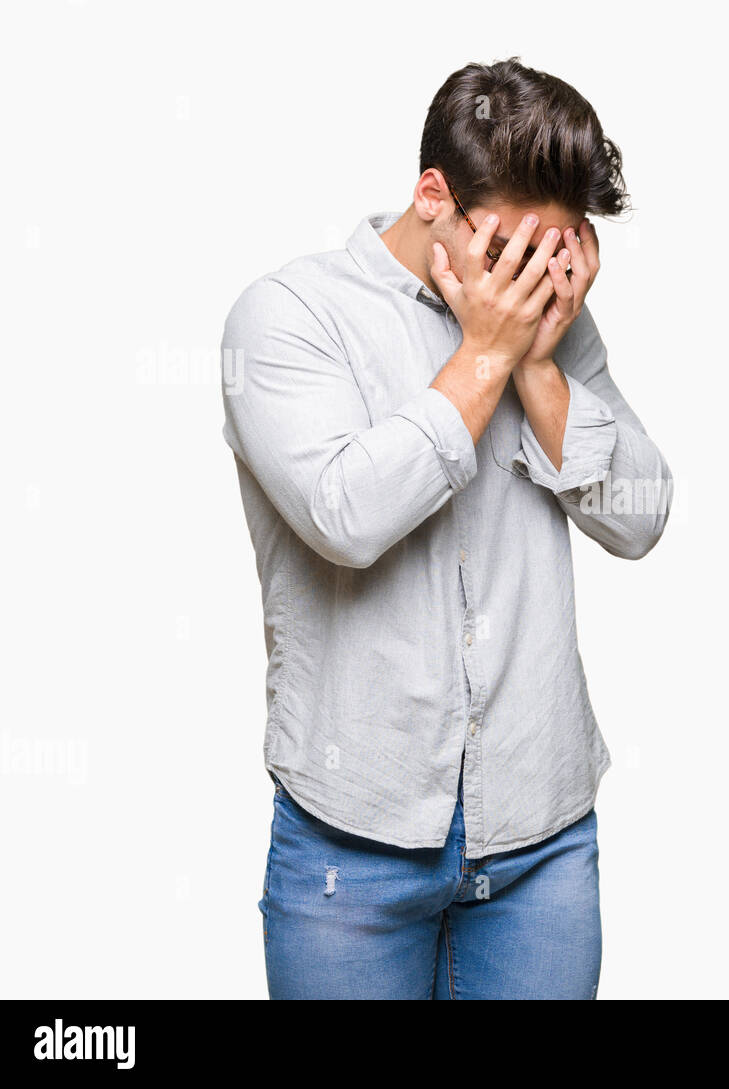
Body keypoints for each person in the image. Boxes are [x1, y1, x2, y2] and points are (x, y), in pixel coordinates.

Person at [220, 57, 672, 999]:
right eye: (513, 249)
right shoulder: (289, 317)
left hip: (540, 840)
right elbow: (346, 516)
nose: (540, 278)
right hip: (353, 848)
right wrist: (485, 358)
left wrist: (541, 366)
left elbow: (640, 516)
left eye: (562, 251)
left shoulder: (553, 325)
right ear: (435, 197)